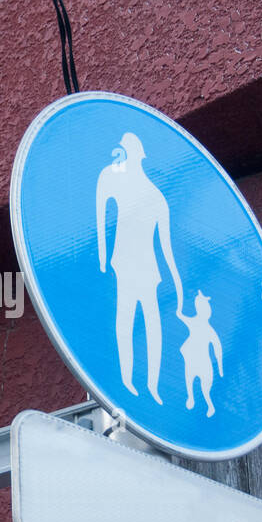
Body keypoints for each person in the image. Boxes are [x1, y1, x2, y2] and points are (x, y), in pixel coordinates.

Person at [96, 132, 185, 404]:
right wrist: (101, 257)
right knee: (126, 323)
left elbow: (167, 249)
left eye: (125, 151)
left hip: (147, 270)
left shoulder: (155, 197)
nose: (121, 156)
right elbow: (100, 212)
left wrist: (179, 289)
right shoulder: (115, 180)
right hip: (124, 265)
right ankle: (127, 382)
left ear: (137, 156)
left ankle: (152, 386)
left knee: (149, 325)